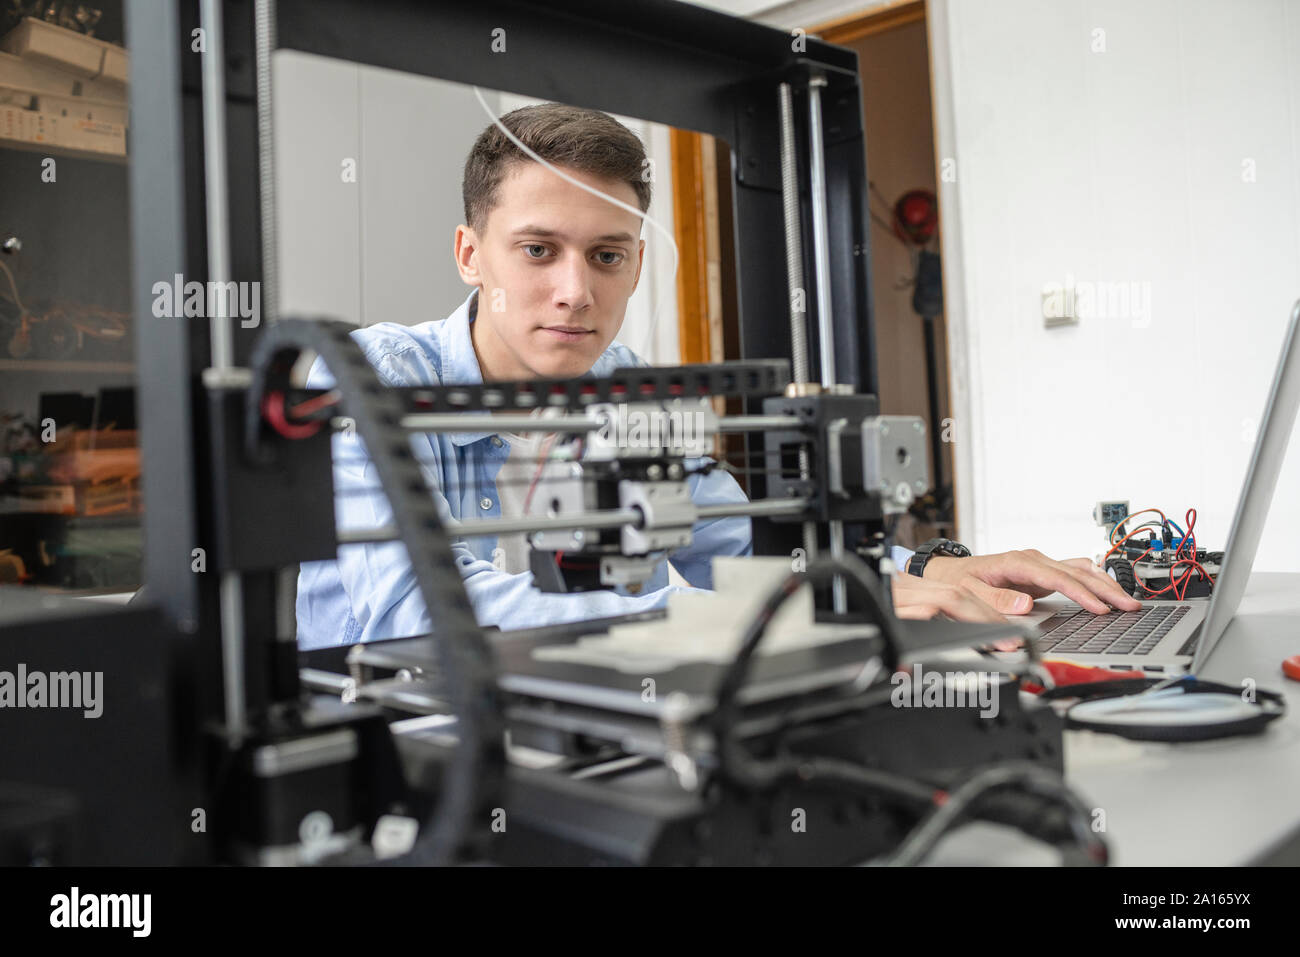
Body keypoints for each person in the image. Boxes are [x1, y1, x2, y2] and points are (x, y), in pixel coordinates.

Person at [296, 103, 1137, 650]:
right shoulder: (376, 379)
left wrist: (921, 575)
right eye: (538, 249)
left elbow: (735, 551)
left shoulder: (625, 385)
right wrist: (722, 619)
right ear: (470, 254)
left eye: (608, 255)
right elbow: (412, 620)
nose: (575, 290)